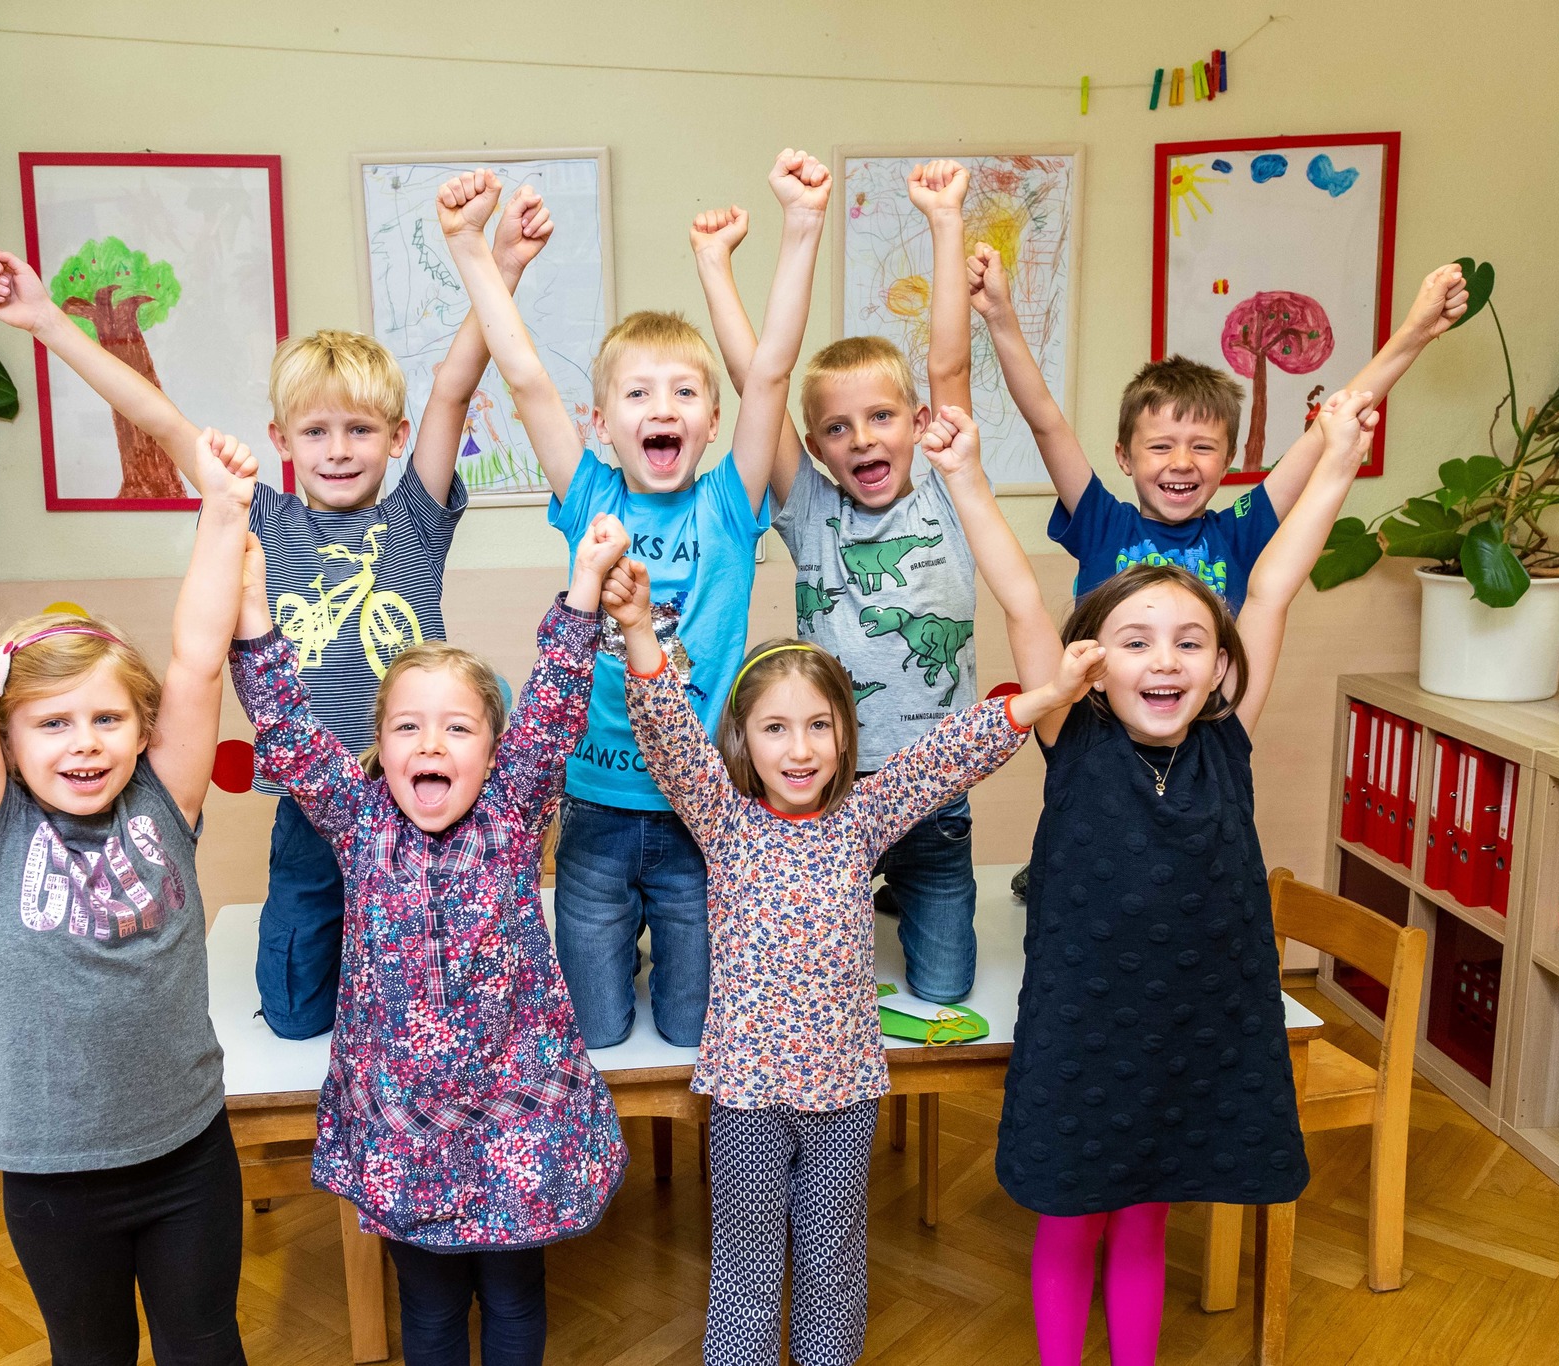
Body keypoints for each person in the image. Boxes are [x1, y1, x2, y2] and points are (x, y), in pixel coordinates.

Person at [0, 188, 552, 1039]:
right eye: (316, 433)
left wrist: (497, 266)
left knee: (434, 996)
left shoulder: (415, 516)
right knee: (292, 1017)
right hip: (315, 809)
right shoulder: (263, 517)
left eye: (360, 430)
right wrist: (49, 322)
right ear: (282, 440)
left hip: (420, 803)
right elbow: (157, 416)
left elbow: (454, 388)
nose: (339, 450)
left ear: (394, 439)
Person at [603, 426, 1097, 1360]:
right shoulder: (723, 814)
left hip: (845, 1087)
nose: (799, 748)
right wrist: (636, 631)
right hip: (746, 1091)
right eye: (777, 729)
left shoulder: (862, 815)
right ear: (744, 744)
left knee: (833, 1263)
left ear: (843, 738)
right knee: (747, 1269)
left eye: (819, 727)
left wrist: (1043, 696)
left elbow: (950, 753)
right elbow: (668, 733)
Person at [931, 380, 1381, 1363]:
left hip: (1185, 1033)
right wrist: (964, 473)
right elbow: (1015, 591)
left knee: (1140, 1217)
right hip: (1083, 1033)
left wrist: (1337, 463)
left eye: (1188, 642)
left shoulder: (1227, 739)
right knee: (1072, 1214)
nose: (1165, 661)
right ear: (1091, 663)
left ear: (1219, 664)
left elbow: (1267, 589)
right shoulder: (1068, 730)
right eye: (1134, 643)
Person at [227, 513, 636, 1366]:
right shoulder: (357, 820)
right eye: (408, 727)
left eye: (458, 727)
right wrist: (253, 612)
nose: (431, 743)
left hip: (516, 1118)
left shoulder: (514, 812)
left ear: (495, 750)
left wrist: (586, 589)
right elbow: (289, 729)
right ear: (379, 748)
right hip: (405, 1128)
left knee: (516, 1299)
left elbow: (559, 693)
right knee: (432, 1307)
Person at [436, 152, 824, 1047]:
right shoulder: (589, 496)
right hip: (596, 813)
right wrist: (471, 248)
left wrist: (800, 231)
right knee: (599, 1034)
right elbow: (525, 374)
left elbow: (767, 372)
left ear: (712, 423)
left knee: (693, 1034)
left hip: (706, 810)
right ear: (603, 424)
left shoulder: (732, 504)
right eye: (640, 393)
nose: (665, 406)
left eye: (686, 392)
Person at [0, 431, 259, 1365]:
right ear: (11, 743)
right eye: (52, 724)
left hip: (187, 1154)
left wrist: (222, 514)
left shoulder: (166, 803)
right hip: (53, 1174)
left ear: (143, 731)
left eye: (107, 719)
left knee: (205, 1346)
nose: (83, 743)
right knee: (89, 1354)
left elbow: (198, 659)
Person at [690, 160, 989, 1006]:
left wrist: (943, 219)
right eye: (837, 427)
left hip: (933, 802)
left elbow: (950, 365)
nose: (862, 438)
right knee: (823, 986)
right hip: (829, 801)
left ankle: (903, 896)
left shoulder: (946, 480)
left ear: (920, 424)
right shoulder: (809, 508)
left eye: (882, 417)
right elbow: (760, 388)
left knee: (944, 988)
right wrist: (716, 269)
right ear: (816, 447)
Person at [969, 250, 1468, 611]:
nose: (1181, 462)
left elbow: (1327, 430)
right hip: (1097, 749)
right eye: (1161, 446)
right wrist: (1000, 317)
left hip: (1205, 752)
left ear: (1228, 459)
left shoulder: (1237, 534)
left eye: (1202, 447)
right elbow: (1046, 422)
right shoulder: (1104, 523)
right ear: (1124, 457)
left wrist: (1414, 334)